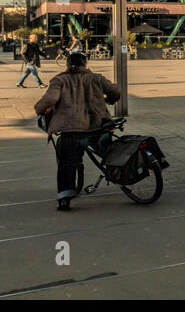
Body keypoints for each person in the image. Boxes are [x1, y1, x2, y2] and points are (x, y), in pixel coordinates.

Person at [34, 50, 122, 210]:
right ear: (85, 64)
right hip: (98, 126)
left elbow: (50, 99)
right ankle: (118, 173)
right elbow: (115, 91)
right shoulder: (97, 78)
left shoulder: (60, 80)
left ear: (67, 64)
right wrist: (109, 100)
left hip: (72, 129)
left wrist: (39, 109)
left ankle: (65, 196)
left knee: (67, 162)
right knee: (109, 152)